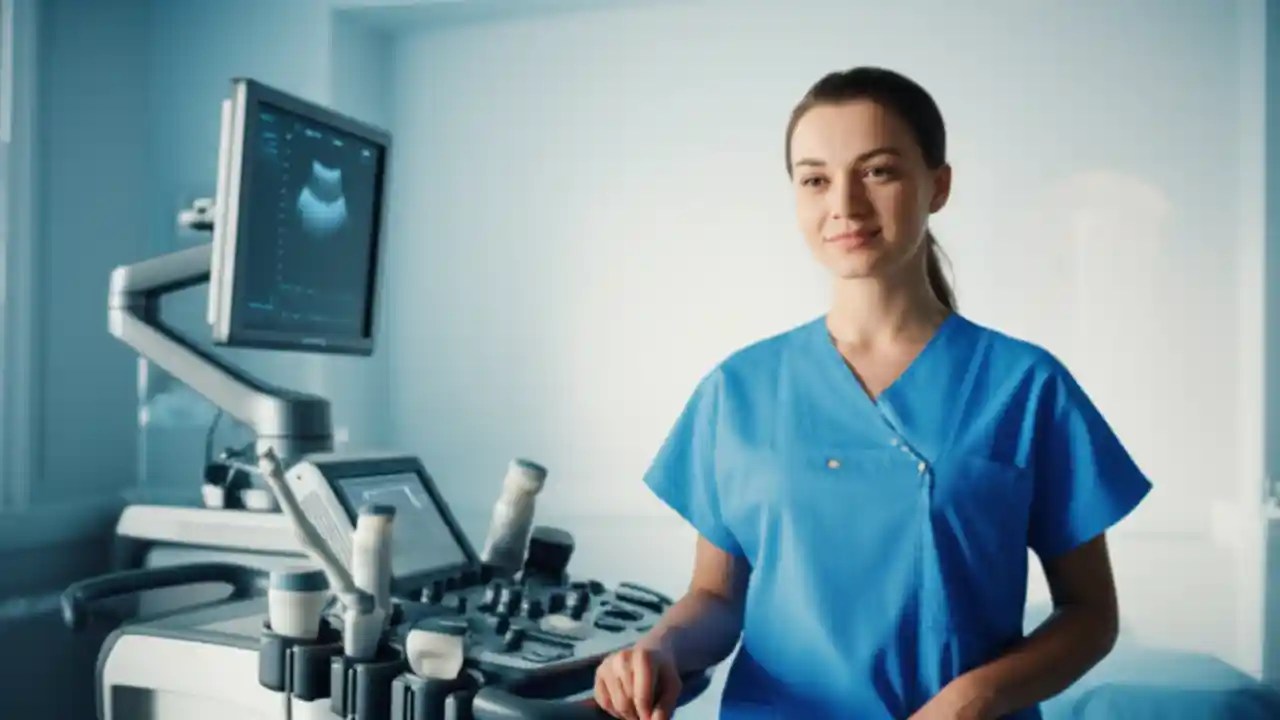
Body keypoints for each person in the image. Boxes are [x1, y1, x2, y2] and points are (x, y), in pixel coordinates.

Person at [592, 66, 1152, 720]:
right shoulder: (738, 389)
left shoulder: (1025, 387)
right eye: (815, 179)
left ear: (937, 185)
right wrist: (658, 649)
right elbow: (716, 599)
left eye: (878, 171)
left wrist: (978, 697)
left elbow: (1090, 614)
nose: (845, 205)